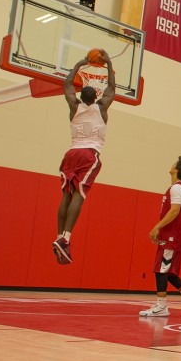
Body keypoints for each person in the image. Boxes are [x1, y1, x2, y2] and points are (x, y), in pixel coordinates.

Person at [53, 49, 115, 264]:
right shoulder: (102, 107)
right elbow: (111, 88)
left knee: (66, 195)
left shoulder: (74, 106)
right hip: (89, 154)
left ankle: (61, 236)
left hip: (70, 154)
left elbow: (67, 84)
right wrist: (107, 64)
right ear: (96, 97)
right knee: (79, 195)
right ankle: (67, 237)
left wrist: (80, 63)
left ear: (80, 96)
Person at [139, 157, 181, 318]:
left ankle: (161, 306)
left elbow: (174, 211)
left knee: (161, 269)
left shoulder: (177, 189)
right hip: (170, 235)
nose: (171, 164)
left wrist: (157, 226)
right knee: (169, 271)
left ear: (177, 169)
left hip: (174, 236)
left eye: (174, 163)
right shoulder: (174, 188)